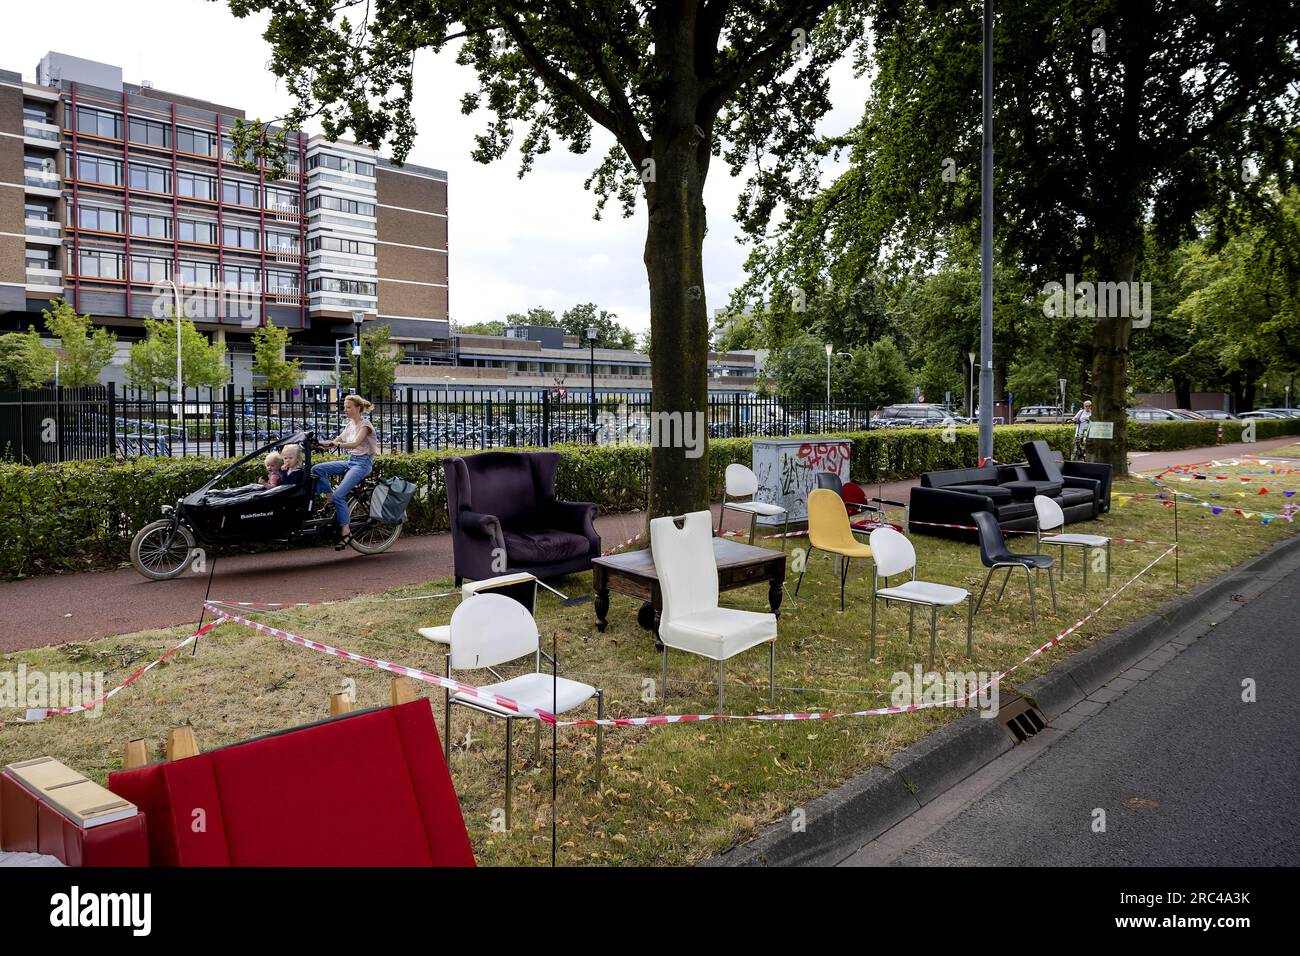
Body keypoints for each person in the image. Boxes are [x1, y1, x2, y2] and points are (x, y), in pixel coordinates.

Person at [311, 395, 377, 549]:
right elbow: (337, 440)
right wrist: (318, 444)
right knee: (317, 469)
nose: (345, 410)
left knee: (340, 494)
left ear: (358, 408)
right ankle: (330, 501)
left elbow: (354, 444)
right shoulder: (349, 425)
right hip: (350, 462)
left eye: (348, 407)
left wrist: (336, 443)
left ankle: (346, 532)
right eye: (344, 407)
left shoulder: (365, 425)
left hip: (362, 465)